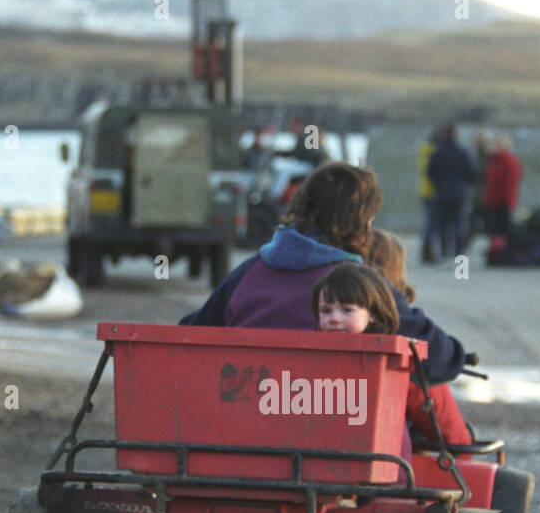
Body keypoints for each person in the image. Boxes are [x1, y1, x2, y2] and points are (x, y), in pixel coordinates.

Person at [180, 161, 467, 384]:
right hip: (337, 436)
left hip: (242, 429)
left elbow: (188, 337)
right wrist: (457, 355)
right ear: (363, 221)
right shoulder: (362, 286)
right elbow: (437, 359)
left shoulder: (247, 274)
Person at [312, 263, 470, 447]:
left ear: (372, 314)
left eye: (347, 310)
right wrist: (461, 449)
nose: (334, 318)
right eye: (326, 311)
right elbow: (445, 429)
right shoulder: (396, 364)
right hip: (382, 455)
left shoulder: (308, 356)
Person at [426, 124, 478, 259]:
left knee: (443, 225)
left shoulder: (438, 152)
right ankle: (457, 255)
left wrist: (439, 183)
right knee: (459, 225)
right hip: (459, 193)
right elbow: (472, 173)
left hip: (442, 193)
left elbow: (430, 173)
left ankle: (444, 254)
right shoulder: (462, 152)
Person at [481, 135, 522, 239]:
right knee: (493, 231)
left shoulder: (510, 161)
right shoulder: (494, 160)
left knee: (504, 231)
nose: (495, 147)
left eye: (498, 145)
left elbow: (510, 183)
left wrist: (507, 201)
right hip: (492, 202)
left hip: (503, 203)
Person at [417, 131, 439, 263]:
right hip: (432, 192)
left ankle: (426, 251)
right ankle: (428, 252)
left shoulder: (423, 152)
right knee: (431, 224)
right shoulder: (432, 154)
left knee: (429, 223)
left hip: (425, 192)